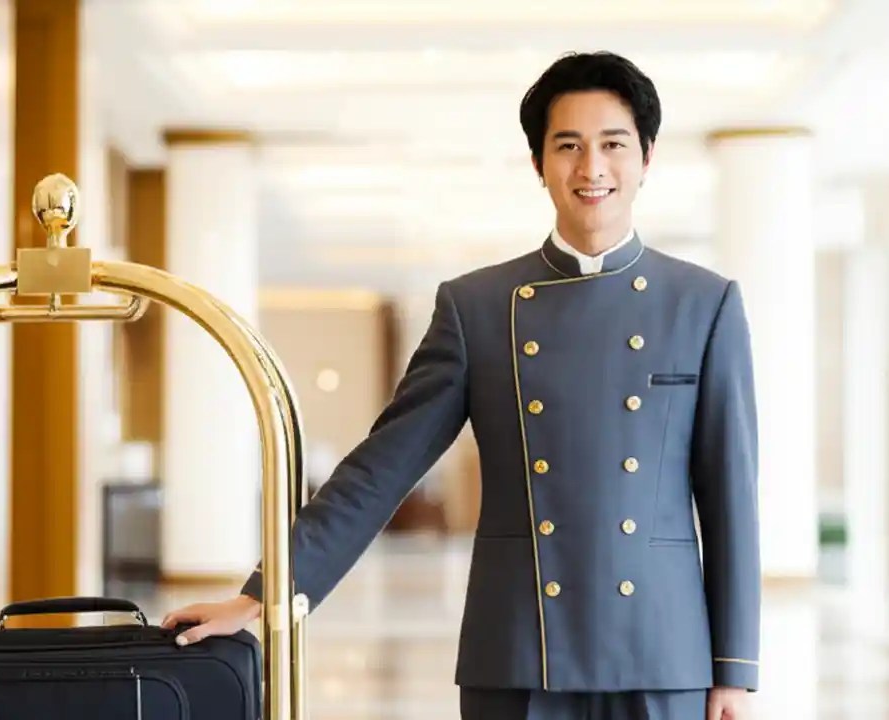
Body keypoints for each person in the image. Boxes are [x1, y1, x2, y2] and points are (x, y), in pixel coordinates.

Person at [162, 50, 760, 720]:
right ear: (539, 164)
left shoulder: (703, 304)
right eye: (568, 146)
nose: (591, 168)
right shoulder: (478, 306)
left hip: (661, 654)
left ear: (647, 157)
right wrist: (264, 593)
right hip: (521, 653)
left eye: (613, 144)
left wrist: (733, 671)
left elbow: (730, 497)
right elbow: (382, 468)